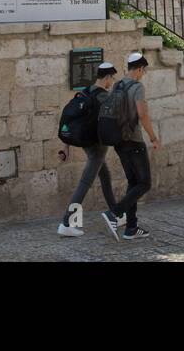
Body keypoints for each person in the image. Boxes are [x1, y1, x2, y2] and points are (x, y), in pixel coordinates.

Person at [57, 62, 124, 237]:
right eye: (112, 78)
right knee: (85, 183)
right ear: (108, 77)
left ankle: (116, 214)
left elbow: (72, 119)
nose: (112, 81)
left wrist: (66, 145)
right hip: (97, 145)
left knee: (105, 176)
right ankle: (67, 222)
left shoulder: (85, 92)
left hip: (86, 142)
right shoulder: (103, 96)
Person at [104, 52, 160, 241]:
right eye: (143, 71)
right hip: (134, 141)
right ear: (139, 69)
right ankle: (115, 213)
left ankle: (131, 227)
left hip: (118, 141)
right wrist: (153, 137)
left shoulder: (117, 85)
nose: (143, 74)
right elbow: (142, 114)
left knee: (133, 183)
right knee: (144, 183)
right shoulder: (137, 87)